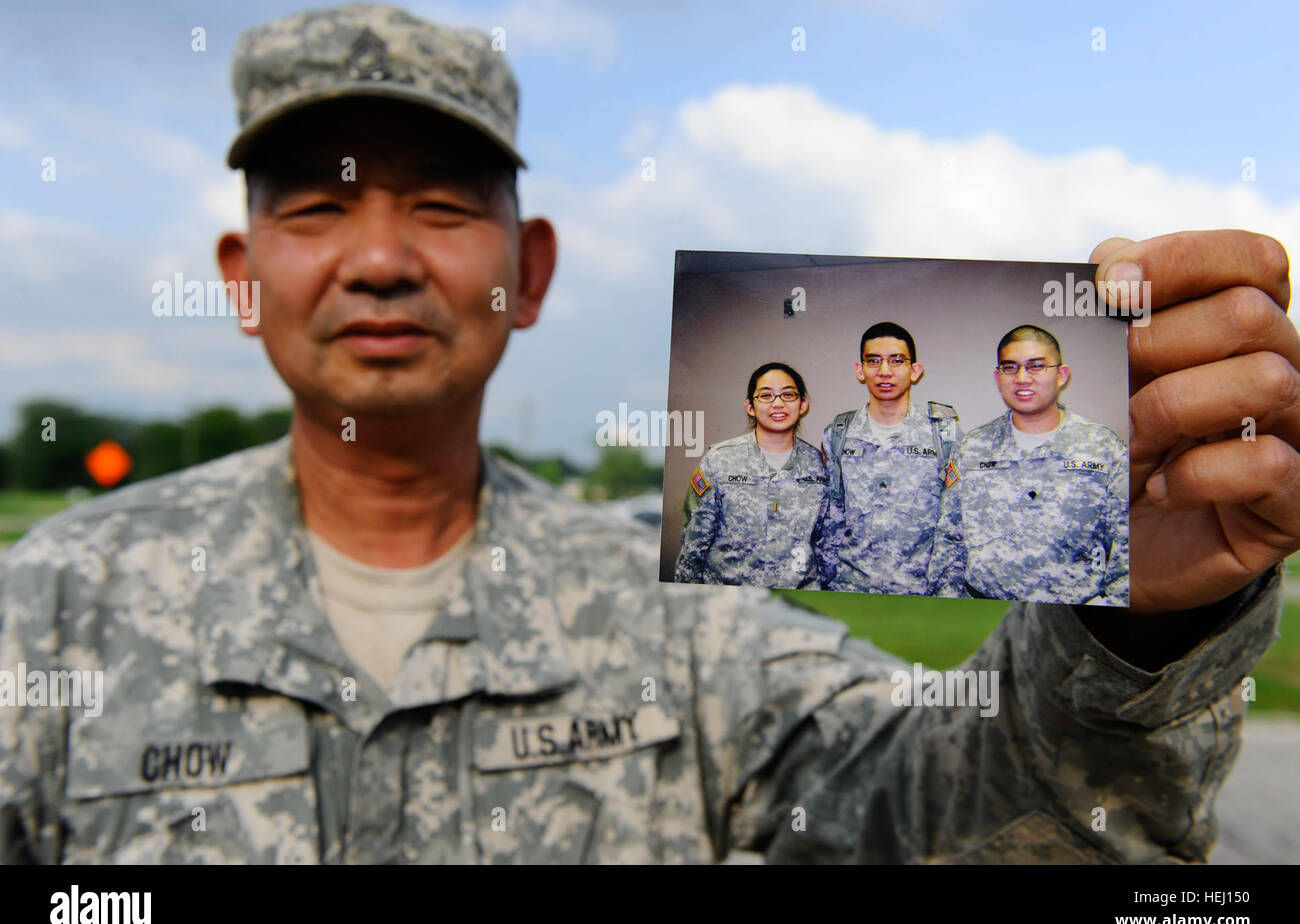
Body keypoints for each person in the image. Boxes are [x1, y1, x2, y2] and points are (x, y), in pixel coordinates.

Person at [1, 2, 1297, 864]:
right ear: (240, 274)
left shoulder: (678, 615)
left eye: (445, 205)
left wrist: (1135, 618)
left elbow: (966, 815)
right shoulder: (50, 611)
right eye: (315, 213)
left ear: (534, 268)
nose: (383, 257)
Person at [928, 325, 1129, 605]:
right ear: (998, 378)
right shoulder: (972, 448)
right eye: (1010, 368)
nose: (1022, 378)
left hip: (1071, 619)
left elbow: (1128, 549)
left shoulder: (1103, 448)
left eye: (1036, 367)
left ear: (1061, 375)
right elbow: (949, 539)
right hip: (983, 613)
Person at [819, 322, 961, 594]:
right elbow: (832, 518)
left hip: (922, 593)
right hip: (852, 589)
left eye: (897, 361)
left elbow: (955, 523)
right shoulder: (839, 433)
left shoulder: (943, 432)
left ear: (915, 370)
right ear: (860, 370)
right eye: (874, 361)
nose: (885, 371)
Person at [674, 362, 829, 588]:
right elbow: (693, 545)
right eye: (766, 396)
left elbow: (826, 545)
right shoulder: (719, 460)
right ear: (750, 406)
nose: (778, 403)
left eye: (788, 395)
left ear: (803, 404)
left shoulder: (819, 465)